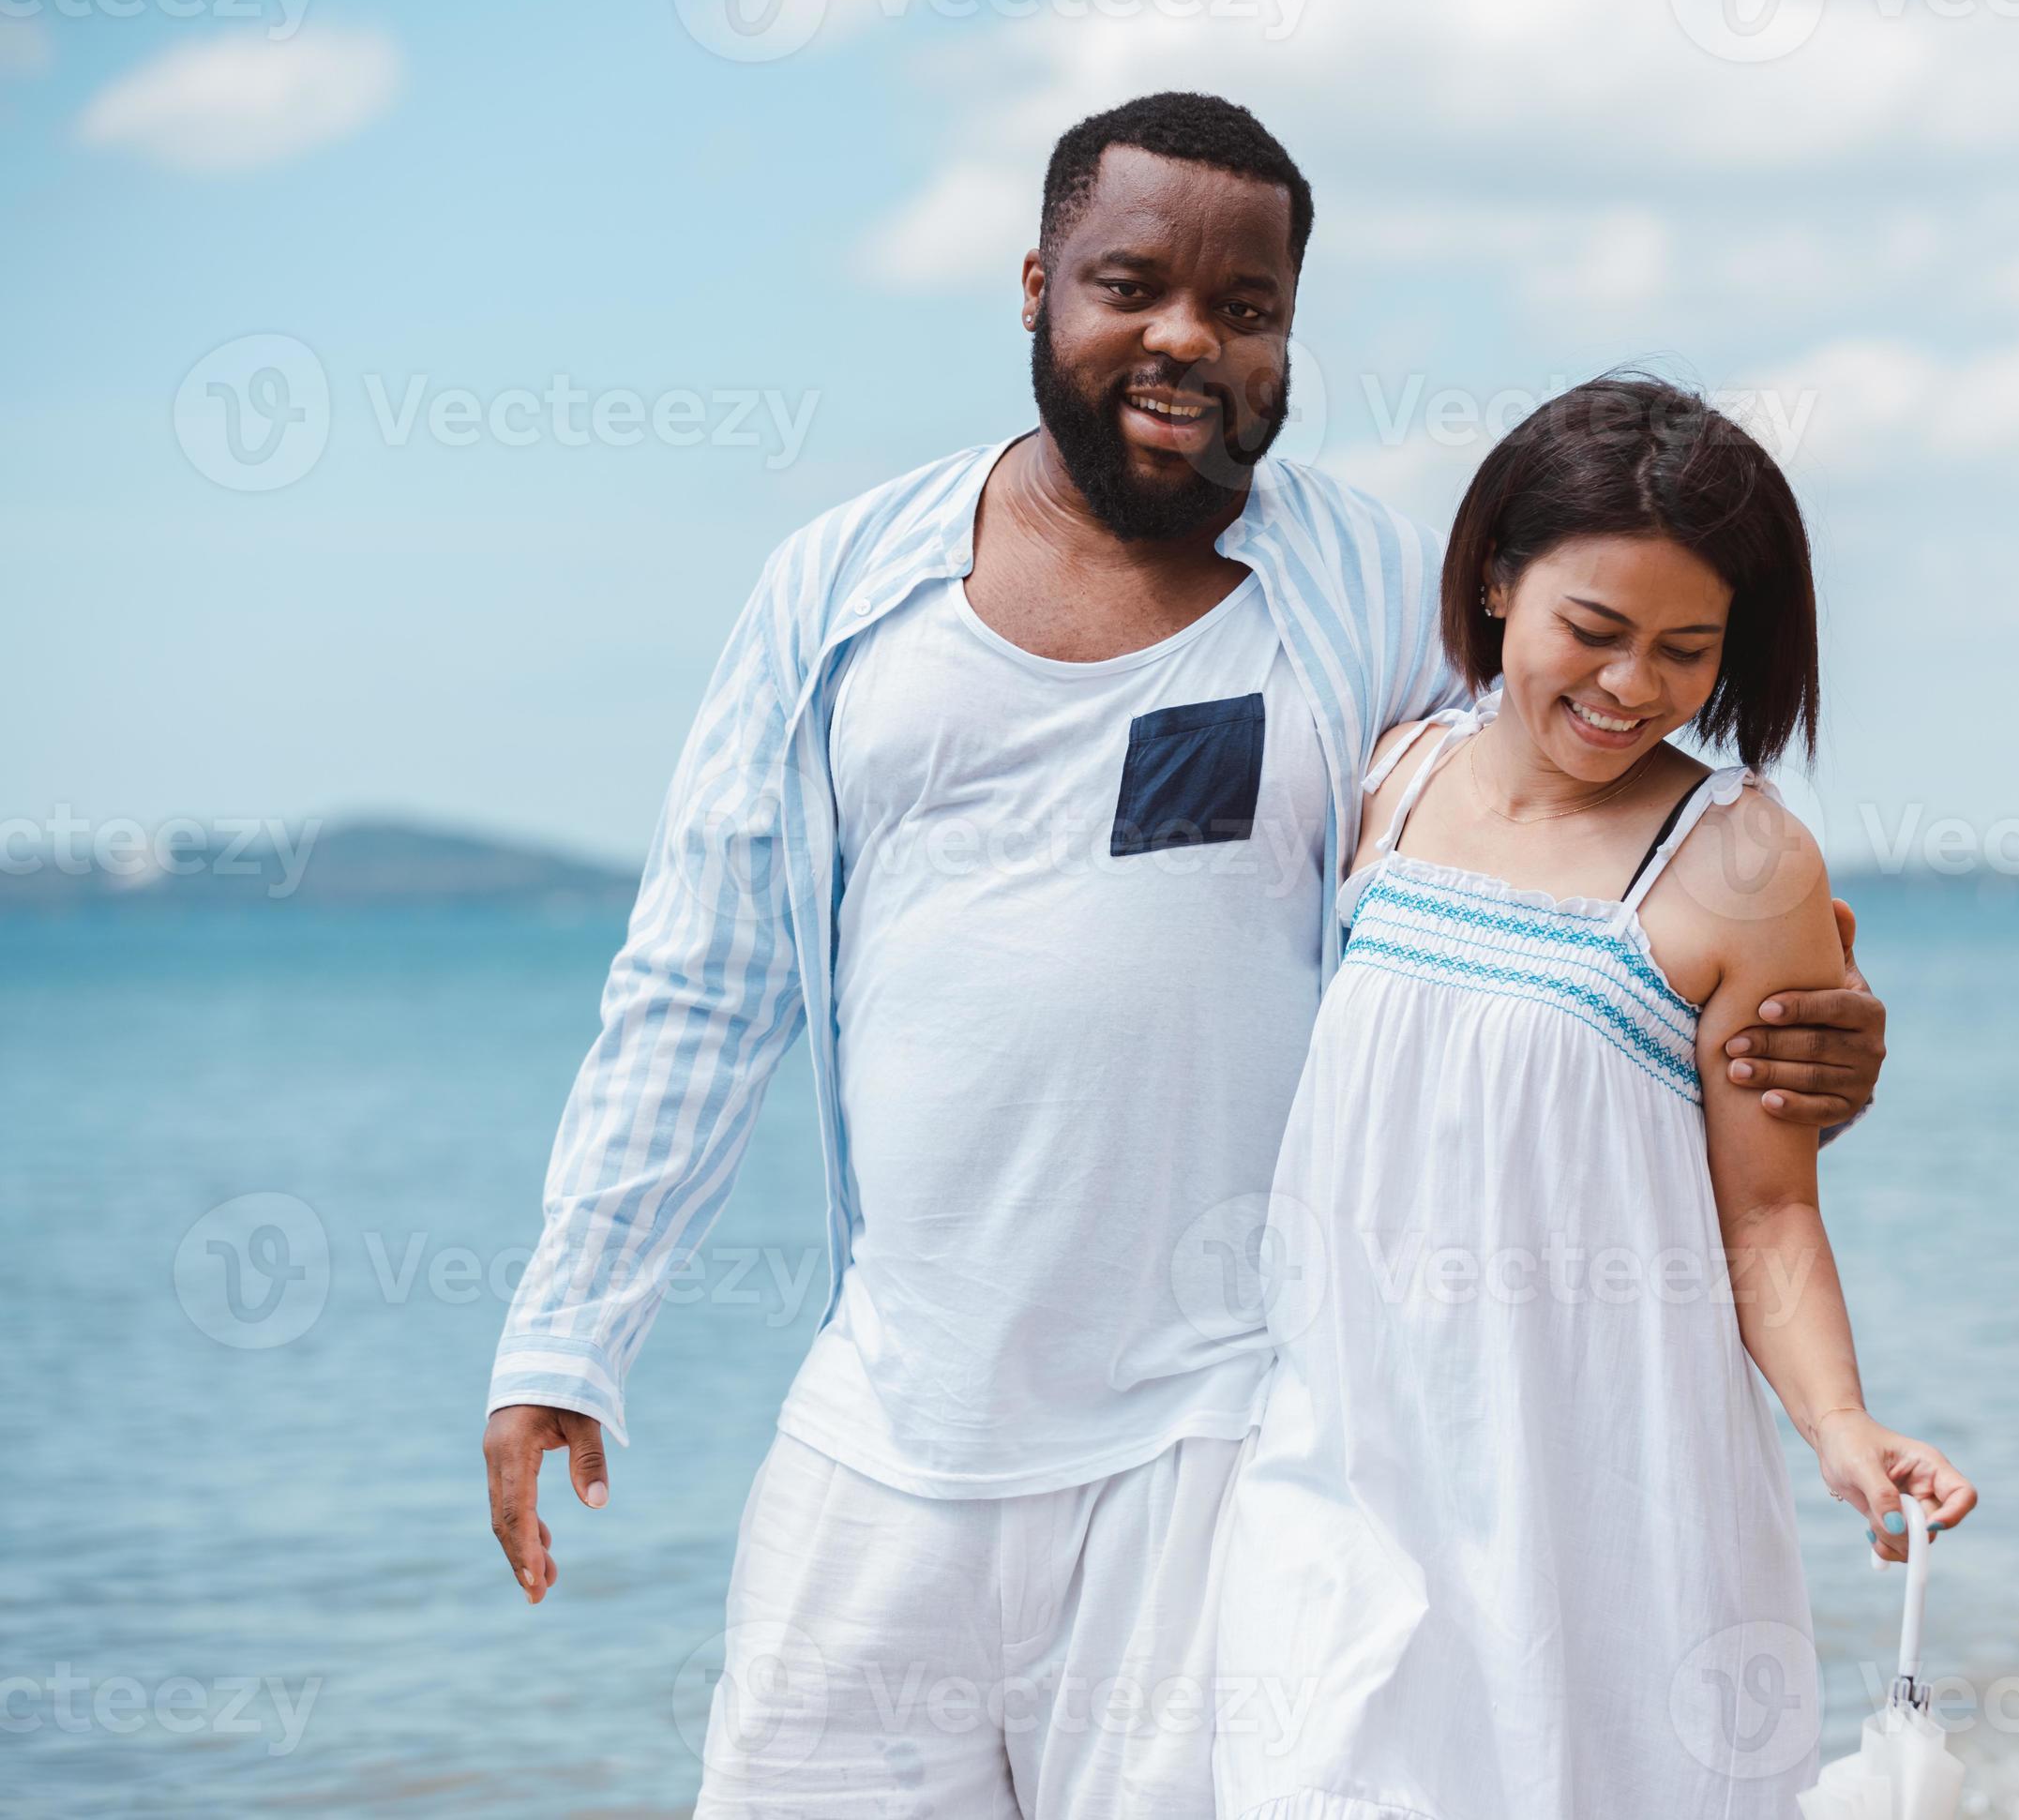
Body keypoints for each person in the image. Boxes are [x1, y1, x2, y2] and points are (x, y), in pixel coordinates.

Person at [477, 94, 1890, 1818]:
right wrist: (570, 1331)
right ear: (1034, 286)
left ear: (1290, 333)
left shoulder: (1354, 585)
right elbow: (703, 980)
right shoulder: (838, 591)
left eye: (1246, 307)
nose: (1186, 340)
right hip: (889, 1423)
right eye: (1132, 284)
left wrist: (1802, 993)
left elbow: (1570, 826)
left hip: (1217, 1447)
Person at [1209, 378, 1974, 1820]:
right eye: (1596, 631)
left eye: (1688, 651)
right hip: (1345, 1469)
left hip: (1602, 1486)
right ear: (1497, 580)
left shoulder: (1744, 864)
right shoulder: (1388, 779)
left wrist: (1842, 1424)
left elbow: (1769, 1214)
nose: (1633, 687)